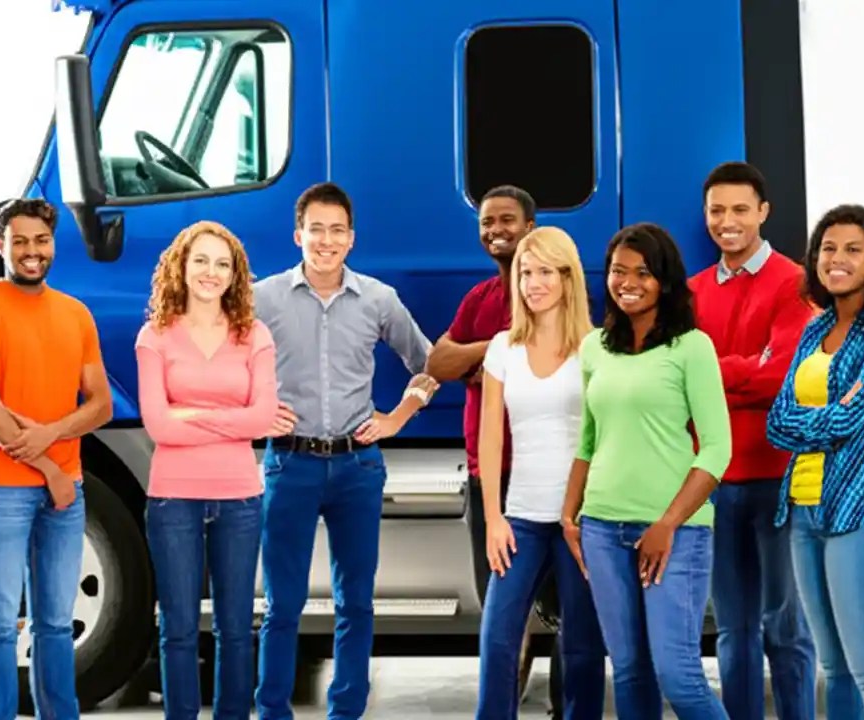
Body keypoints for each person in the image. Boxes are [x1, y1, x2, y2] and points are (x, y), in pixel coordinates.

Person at [252, 182, 440, 720]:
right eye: (317, 229)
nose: (326, 241)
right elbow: (227, 361)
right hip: (289, 464)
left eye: (337, 231)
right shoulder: (263, 299)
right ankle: (272, 712)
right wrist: (257, 411)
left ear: (351, 239)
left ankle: (347, 711)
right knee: (281, 604)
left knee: (354, 601)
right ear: (298, 235)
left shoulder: (379, 300)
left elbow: (427, 365)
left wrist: (397, 418)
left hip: (358, 468)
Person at [561, 222, 732, 720]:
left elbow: (717, 449)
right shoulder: (595, 347)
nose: (628, 281)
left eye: (642, 272)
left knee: (678, 673)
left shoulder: (691, 347)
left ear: (664, 280)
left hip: (674, 535)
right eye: (618, 270)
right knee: (631, 671)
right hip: (601, 529)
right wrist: (570, 516)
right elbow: (588, 441)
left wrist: (667, 524)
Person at [0, 198, 113, 720]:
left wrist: (50, 436)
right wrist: (49, 467)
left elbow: (101, 405)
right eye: (18, 241)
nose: (30, 251)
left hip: (65, 488)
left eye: (40, 241)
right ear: (1, 246)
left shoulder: (75, 314)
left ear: (52, 244)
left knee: (56, 623)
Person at [766, 204, 864, 719]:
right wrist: (828, 415)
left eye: (853, 249)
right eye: (828, 248)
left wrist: (818, 419)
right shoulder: (815, 330)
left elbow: (855, 418)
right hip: (804, 511)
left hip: (860, 511)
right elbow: (776, 422)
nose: (838, 258)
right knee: (834, 668)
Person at [687, 161, 816, 720]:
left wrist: (711, 373)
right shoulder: (691, 291)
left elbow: (784, 374)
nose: (727, 221)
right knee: (733, 631)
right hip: (712, 482)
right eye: (717, 211)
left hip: (774, 477)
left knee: (785, 626)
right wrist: (745, 369)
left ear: (763, 212)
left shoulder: (794, 283)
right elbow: (679, 382)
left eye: (740, 209)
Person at [134, 220, 278, 719]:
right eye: (201, 261)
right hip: (172, 499)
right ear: (181, 266)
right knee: (176, 626)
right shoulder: (155, 336)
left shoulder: (254, 335)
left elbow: (263, 419)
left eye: (222, 264)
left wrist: (191, 414)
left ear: (235, 274)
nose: (211, 273)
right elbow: (158, 425)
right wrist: (230, 422)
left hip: (240, 497)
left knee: (236, 627)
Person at [475, 227, 606, 719]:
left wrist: (589, 516)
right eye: (525, 273)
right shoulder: (501, 348)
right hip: (521, 520)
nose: (532, 283)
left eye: (544, 272)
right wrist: (493, 517)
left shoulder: (596, 348)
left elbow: (602, 438)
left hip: (582, 521)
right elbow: (491, 438)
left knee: (582, 647)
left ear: (567, 277)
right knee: (499, 639)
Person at [426, 184, 537, 604]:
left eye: (507, 219)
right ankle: (503, 674)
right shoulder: (479, 298)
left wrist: (477, 364)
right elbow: (438, 364)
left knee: (554, 603)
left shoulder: (550, 295)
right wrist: (501, 346)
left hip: (539, 469)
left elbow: (539, 365)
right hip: (487, 472)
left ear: (530, 226)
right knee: (496, 596)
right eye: (486, 221)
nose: (496, 229)